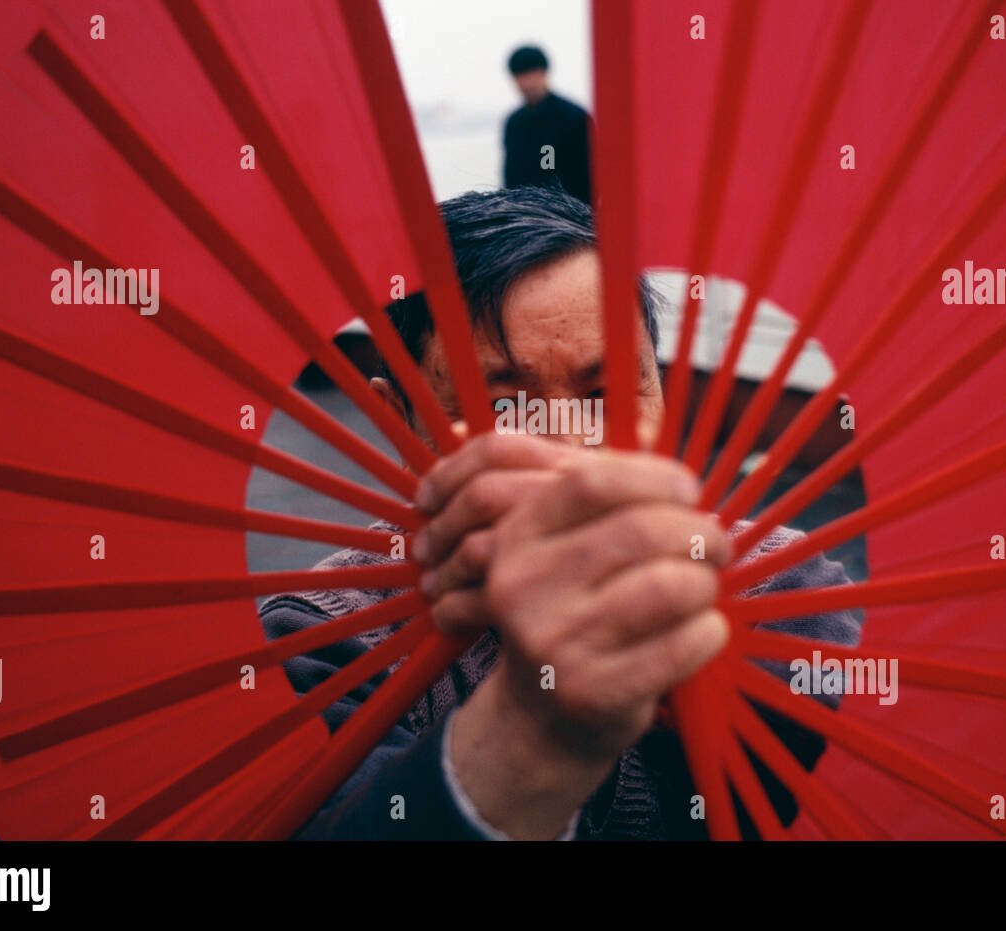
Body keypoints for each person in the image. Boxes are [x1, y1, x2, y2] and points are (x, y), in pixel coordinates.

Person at [259, 185, 862, 840]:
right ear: (395, 417)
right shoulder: (322, 642)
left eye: (604, 394)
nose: (574, 449)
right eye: (505, 408)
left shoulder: (779, 592)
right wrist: (526, 740)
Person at [501, 45, 593, 206]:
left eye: (532, 75)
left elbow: (589, 175)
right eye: (521, 76)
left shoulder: (574, 117)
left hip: (572, 215)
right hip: (524, 216)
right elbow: (510, 178)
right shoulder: (514, 123)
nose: (527, 83)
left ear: (544, 73)